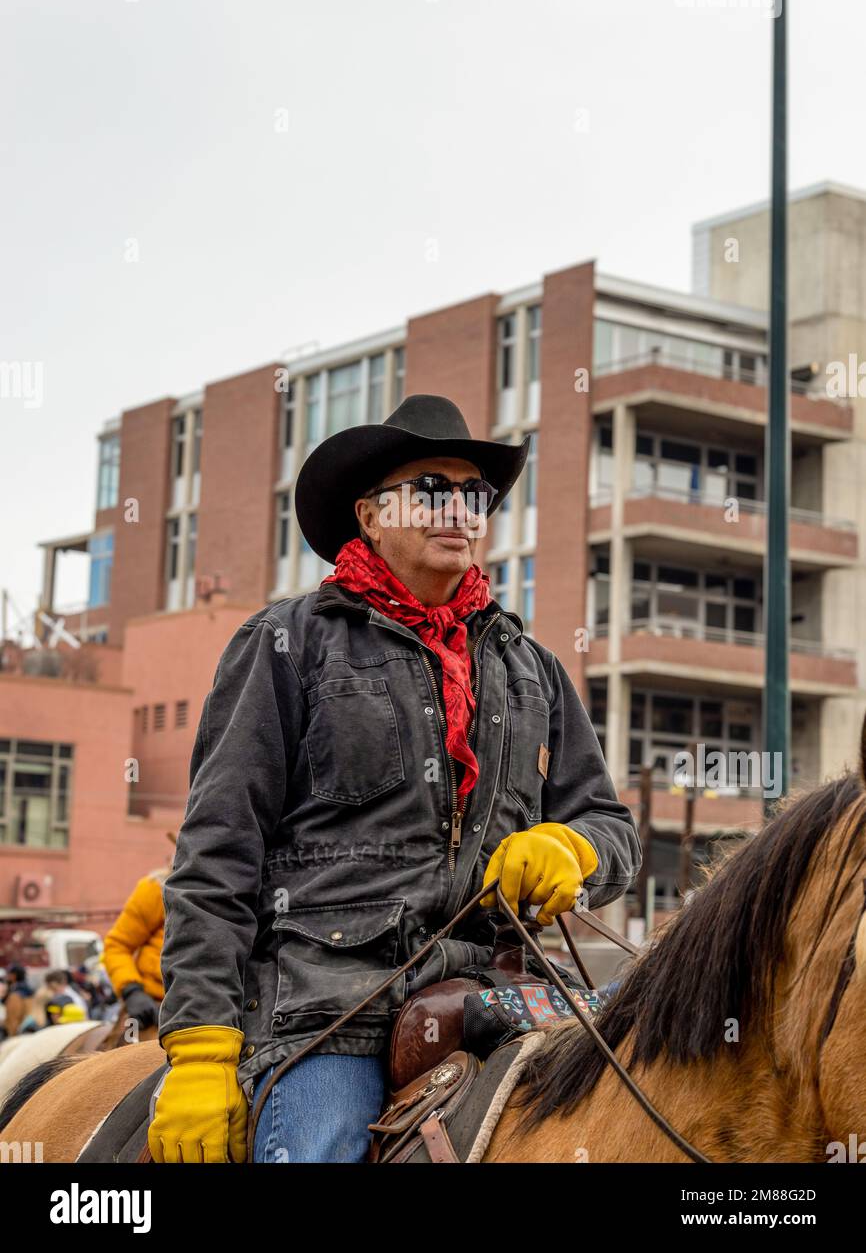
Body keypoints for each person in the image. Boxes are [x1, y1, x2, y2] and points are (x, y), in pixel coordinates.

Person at [148, 393, 641, 1164]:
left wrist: (573, 850)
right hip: (329, 1014)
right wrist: (201, 1049)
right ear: (371, 517)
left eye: (473, 493)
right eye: (430, 489)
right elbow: (217, 853)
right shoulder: (285, 642)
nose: (458, 509)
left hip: (498, 996)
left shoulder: (532, 668)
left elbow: (612, 828)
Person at [101, 857, 171, 1030]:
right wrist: (132, 991)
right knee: (126, 1044)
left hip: (221, 1013)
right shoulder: (157, 889)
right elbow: (117, 946)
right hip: (148, 1010)